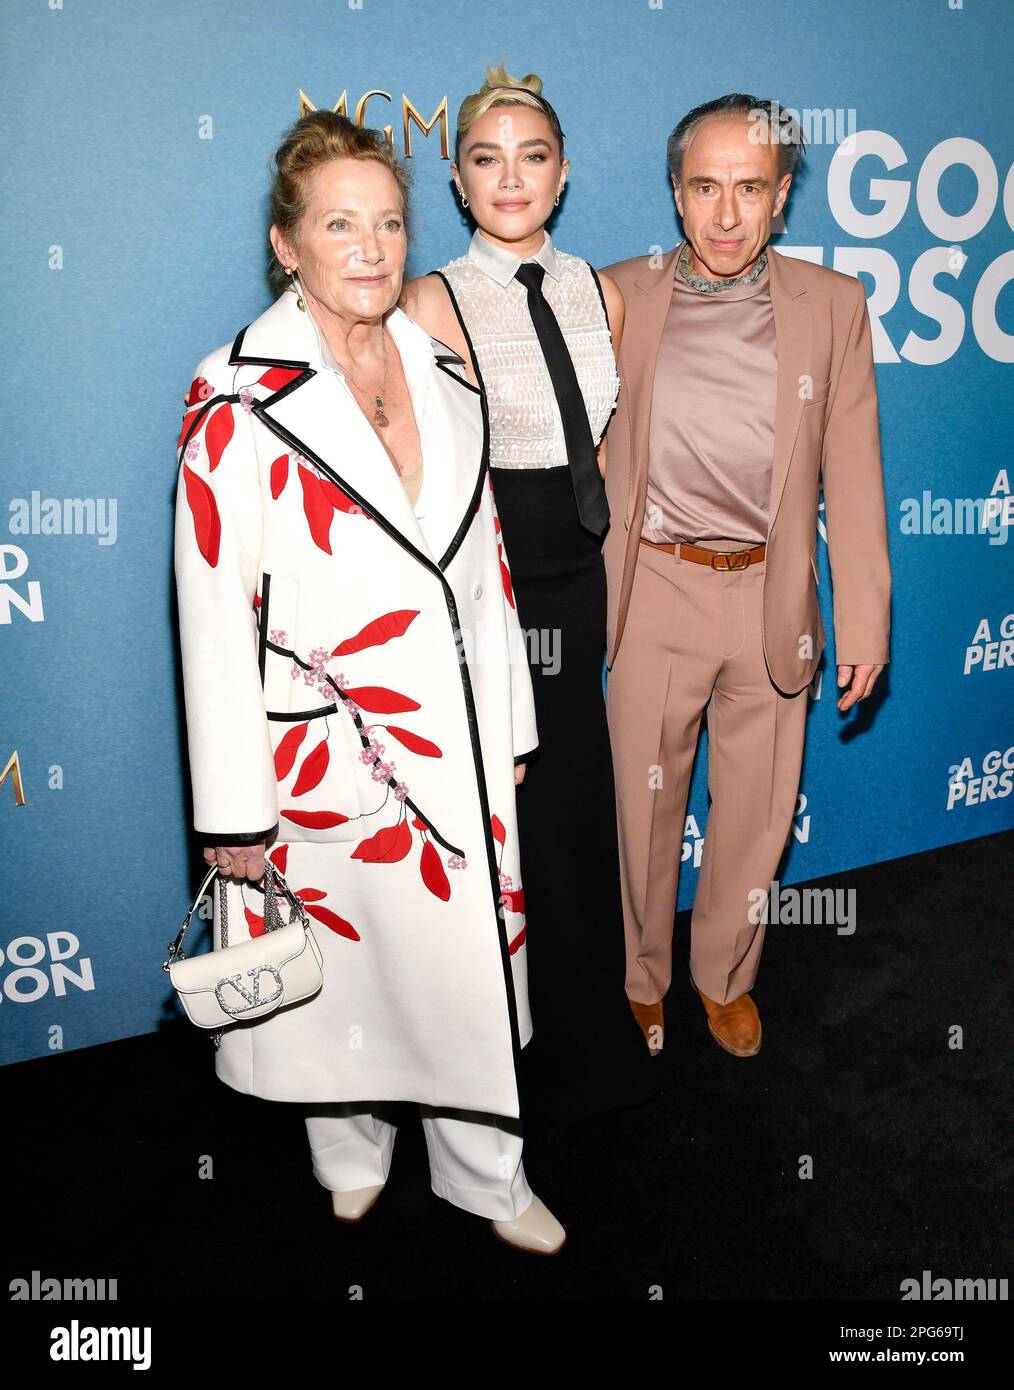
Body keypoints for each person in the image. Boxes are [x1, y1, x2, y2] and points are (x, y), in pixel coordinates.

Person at [173, 109, 565, 1253]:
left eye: (388, 221)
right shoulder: (231, 393)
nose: (370, 246)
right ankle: (346, 1149)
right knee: (339, 971)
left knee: (470, 977)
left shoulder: (446, 367)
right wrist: (234, 813)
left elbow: (484, 564)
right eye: (339, 223)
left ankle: (488, 1174)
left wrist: (512, 719)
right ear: (286, 243)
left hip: (459, 750)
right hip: (323, 752)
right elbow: (209, 607)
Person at [600, 94, 891, 1057]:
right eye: (706, 187)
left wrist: (869, 615)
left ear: (783, 197)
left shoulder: (834, 306)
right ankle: (641, 979)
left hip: (774, 594)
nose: (727, 215)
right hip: (654, 590)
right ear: (677, 196)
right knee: (641, 810)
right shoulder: (616, 297)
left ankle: (723, 976)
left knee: (758, 811)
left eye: (751, 189)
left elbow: (853, 472)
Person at [404, 63, 658, 1125]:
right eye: (486, 159)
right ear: (459, 185)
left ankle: (586, 1013)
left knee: (571, 797)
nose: (512, 178)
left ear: (564, 174)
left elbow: (603, 441)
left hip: (579, 571)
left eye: (534, 156)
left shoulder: (600, 290)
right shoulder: (430, 299)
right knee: (495, 810)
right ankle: (491, 1046)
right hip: (491, 587)